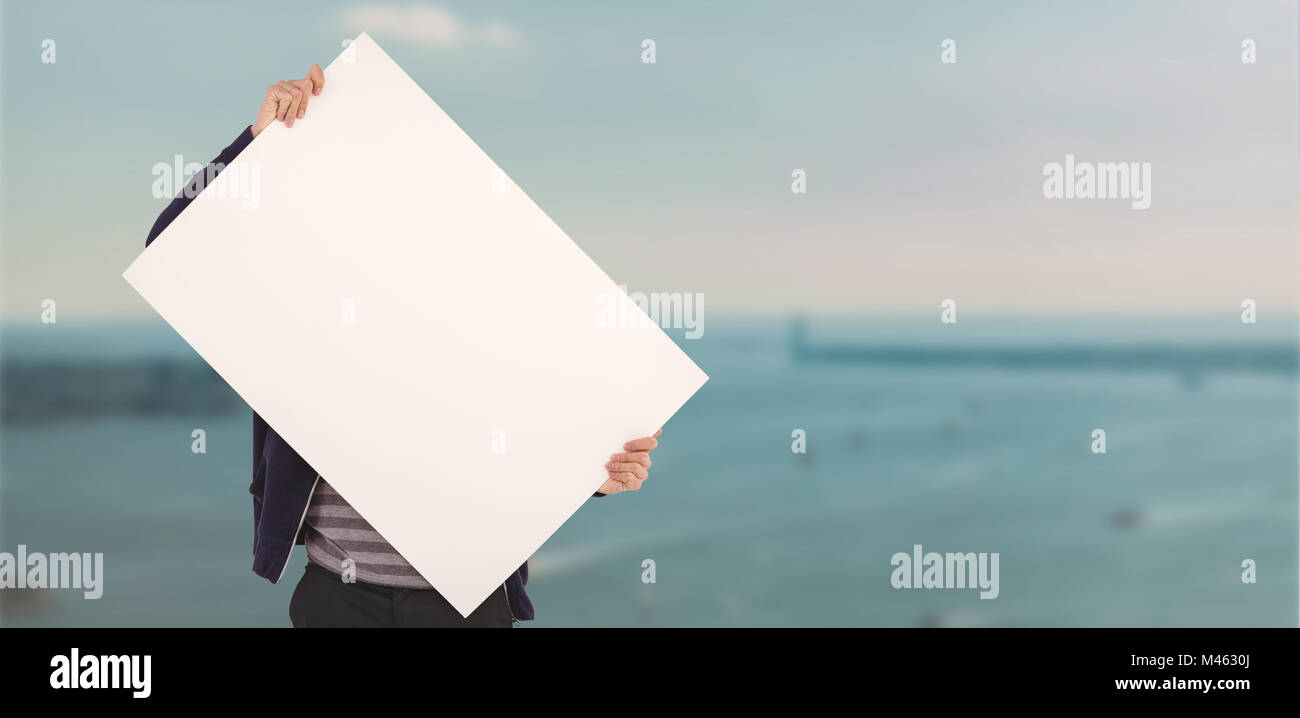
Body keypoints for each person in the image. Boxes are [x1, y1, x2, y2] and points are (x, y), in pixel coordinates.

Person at [145, 64, 662, 628]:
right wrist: (255, 143)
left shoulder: (489, 293)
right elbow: (169, 250)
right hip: (334, 598)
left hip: (467, 601)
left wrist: (593, 474)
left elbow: (535, 410)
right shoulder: (300, 281)